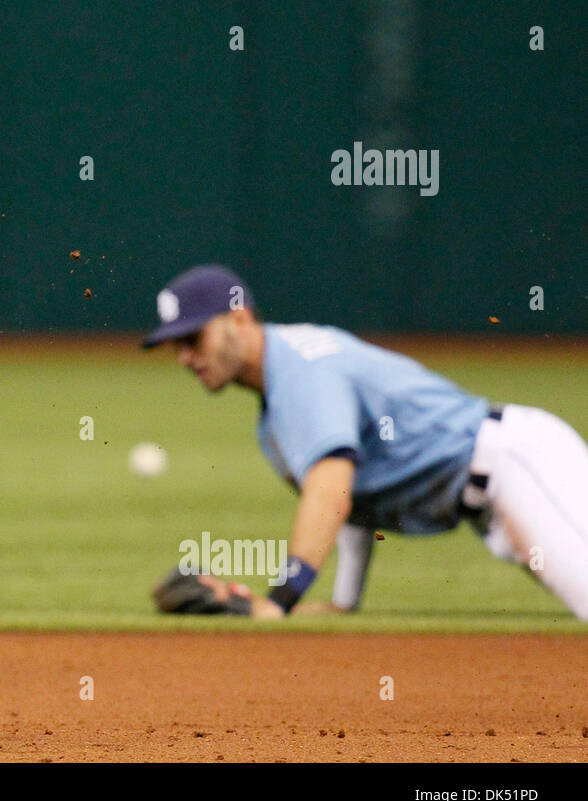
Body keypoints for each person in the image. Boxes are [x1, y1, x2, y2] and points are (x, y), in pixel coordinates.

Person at [141, 263, 588, 619]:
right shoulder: (281, 389)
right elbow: (352, 497)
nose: (184, 357)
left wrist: (279, 601)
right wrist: (344, 601)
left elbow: (331, 488)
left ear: (238, 318)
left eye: (193, 338)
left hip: (520, 463)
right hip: (499, 489)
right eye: (175, 345)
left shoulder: (300, 374)